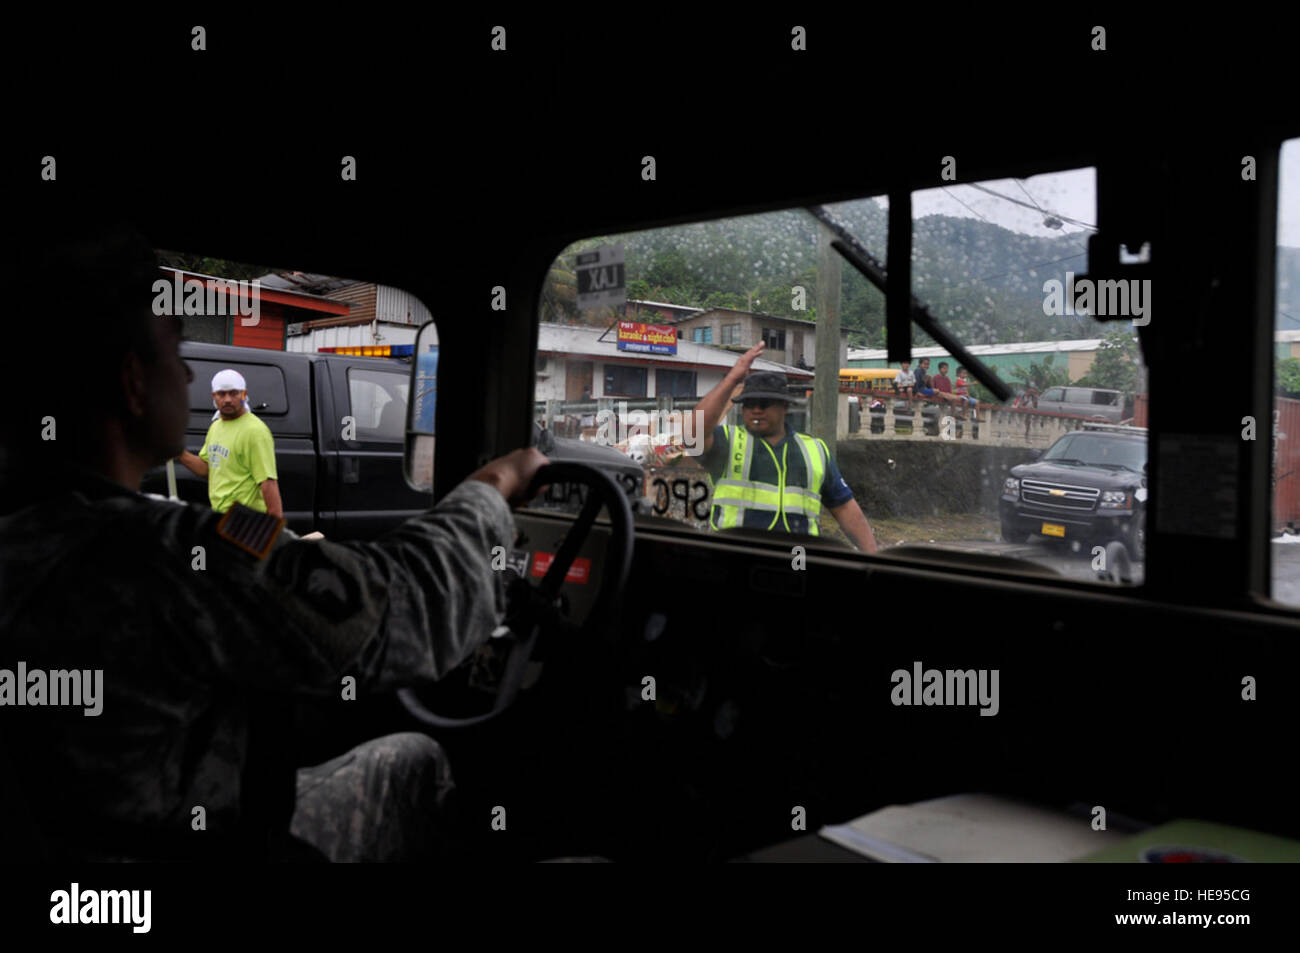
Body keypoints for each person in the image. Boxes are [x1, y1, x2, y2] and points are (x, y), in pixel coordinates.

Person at [0, 219, 548, 862]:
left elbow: (264, 507)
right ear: (133, 383)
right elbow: (404, 606)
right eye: (177, 356)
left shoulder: (34, 531)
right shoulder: (169, 551)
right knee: (418, 762)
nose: (198, 385)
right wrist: (493, 484)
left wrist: (284, 542)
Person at [691, 342, 878, 552]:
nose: (755, 410)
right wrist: (732, 378)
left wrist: (875, 562)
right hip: (735, 561)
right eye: (748, 404)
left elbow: (845, 509)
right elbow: (693, 434)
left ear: (785, 407)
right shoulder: (728, 441)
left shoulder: (815, 451)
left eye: (763, 404)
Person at [175, 369, 282, 518]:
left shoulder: (255, 431)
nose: (227, 399)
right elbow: (207, 469)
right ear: (214, 396)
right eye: (221, 394)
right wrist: (177, 452)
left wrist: (274, 532)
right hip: (221, 517)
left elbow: (268, 484)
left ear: (244, 394)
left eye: (233, 393)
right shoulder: (216, 426)